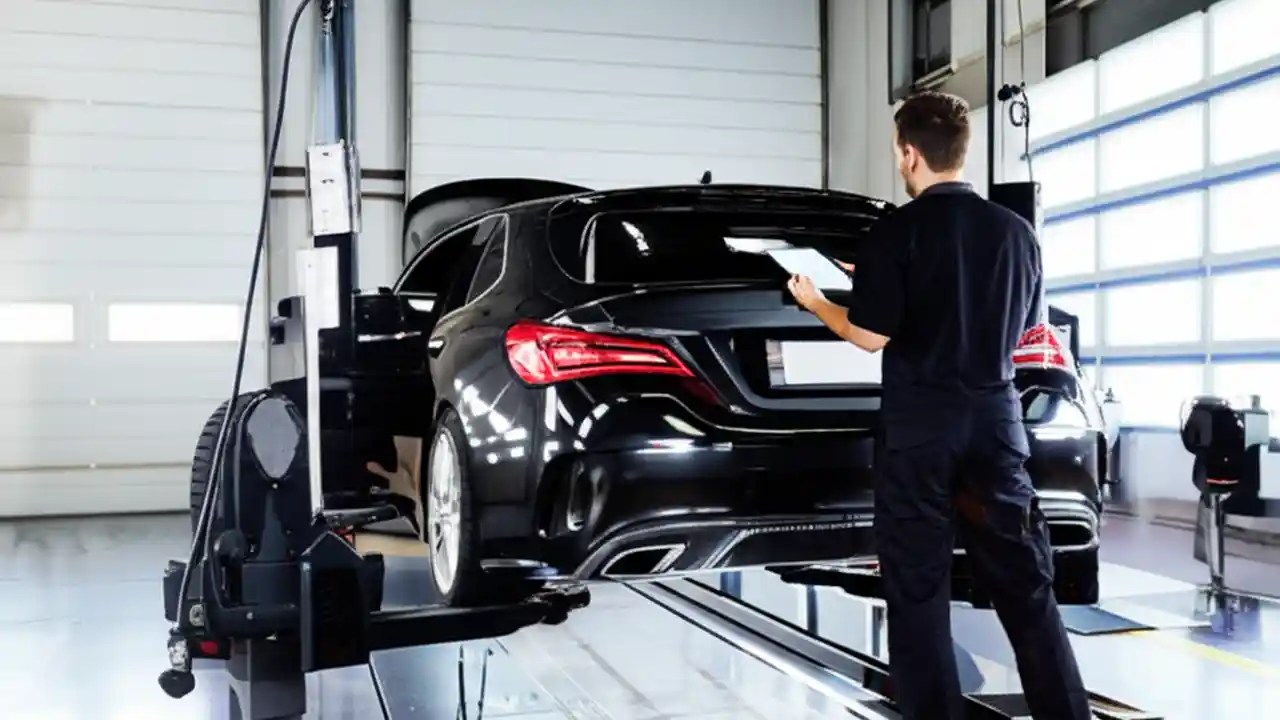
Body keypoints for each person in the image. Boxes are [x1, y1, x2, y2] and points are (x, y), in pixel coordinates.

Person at [785, 91, 1092, 720]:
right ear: (960, 151)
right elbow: (1021, 326)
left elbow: (869, 335)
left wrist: (816, 302)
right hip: (994, 427)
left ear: (908, 153)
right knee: (1026, 586)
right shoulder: (1017, 233)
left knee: (918, 590)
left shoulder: (895, 232)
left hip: (920, 434)